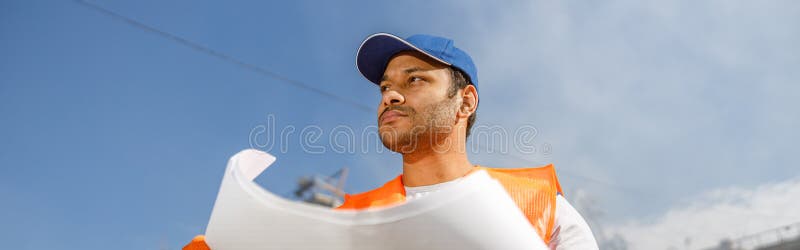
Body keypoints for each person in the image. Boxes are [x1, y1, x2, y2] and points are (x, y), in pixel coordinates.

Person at [183, 33, 598, 250]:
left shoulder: (540, 207)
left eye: (414, 79)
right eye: (385, 87)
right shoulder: (343, 219)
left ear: (465, 101)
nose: (390, 96)